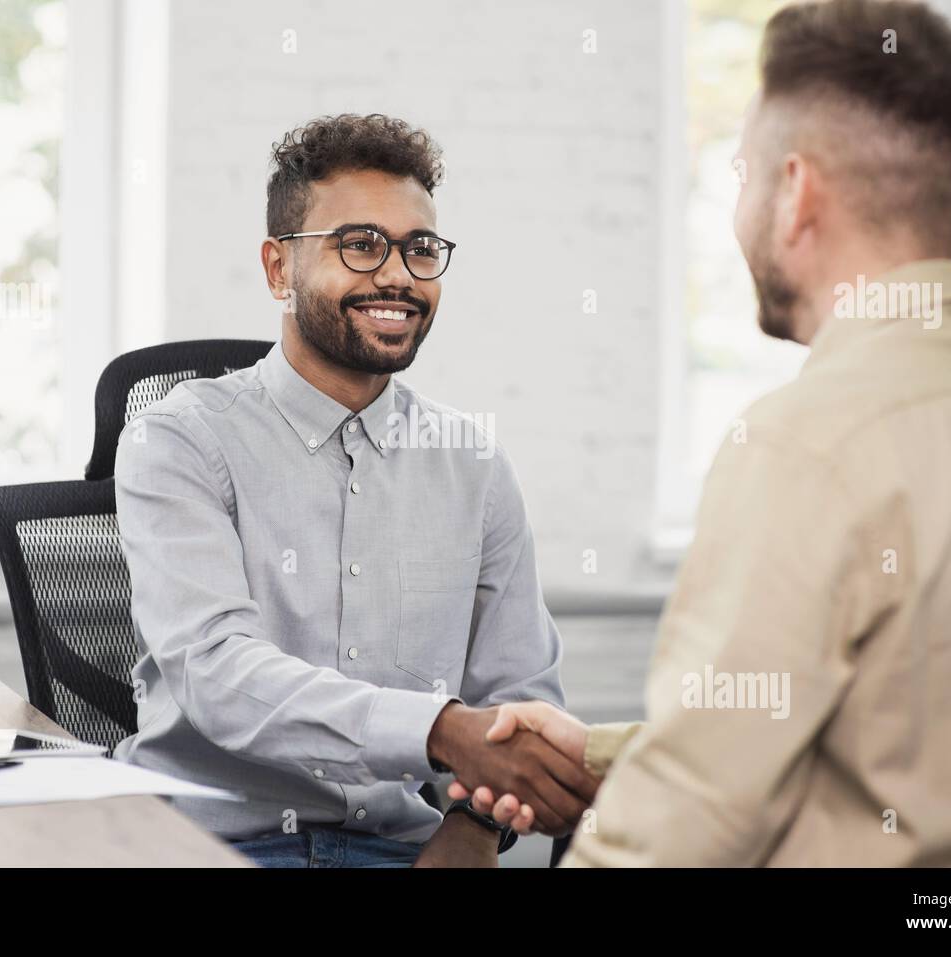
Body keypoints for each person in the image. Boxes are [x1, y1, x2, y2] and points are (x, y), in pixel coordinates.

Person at [451, 0, 951, 867]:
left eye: (745, 173)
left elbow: (671, 839)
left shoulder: (808, 445)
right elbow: (895, 751)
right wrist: (594, 754)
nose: (738, 206)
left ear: (796, 193)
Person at [112, 113, 597, 868]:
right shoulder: (178, 440)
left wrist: (472, 829)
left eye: (420, 248)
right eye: (361, 244)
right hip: (211, 845)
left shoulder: (473, 464)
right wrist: (440, 730)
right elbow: (217, 671)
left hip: (403, 849)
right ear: (279, 269)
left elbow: (521, 690)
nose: (399, 275)